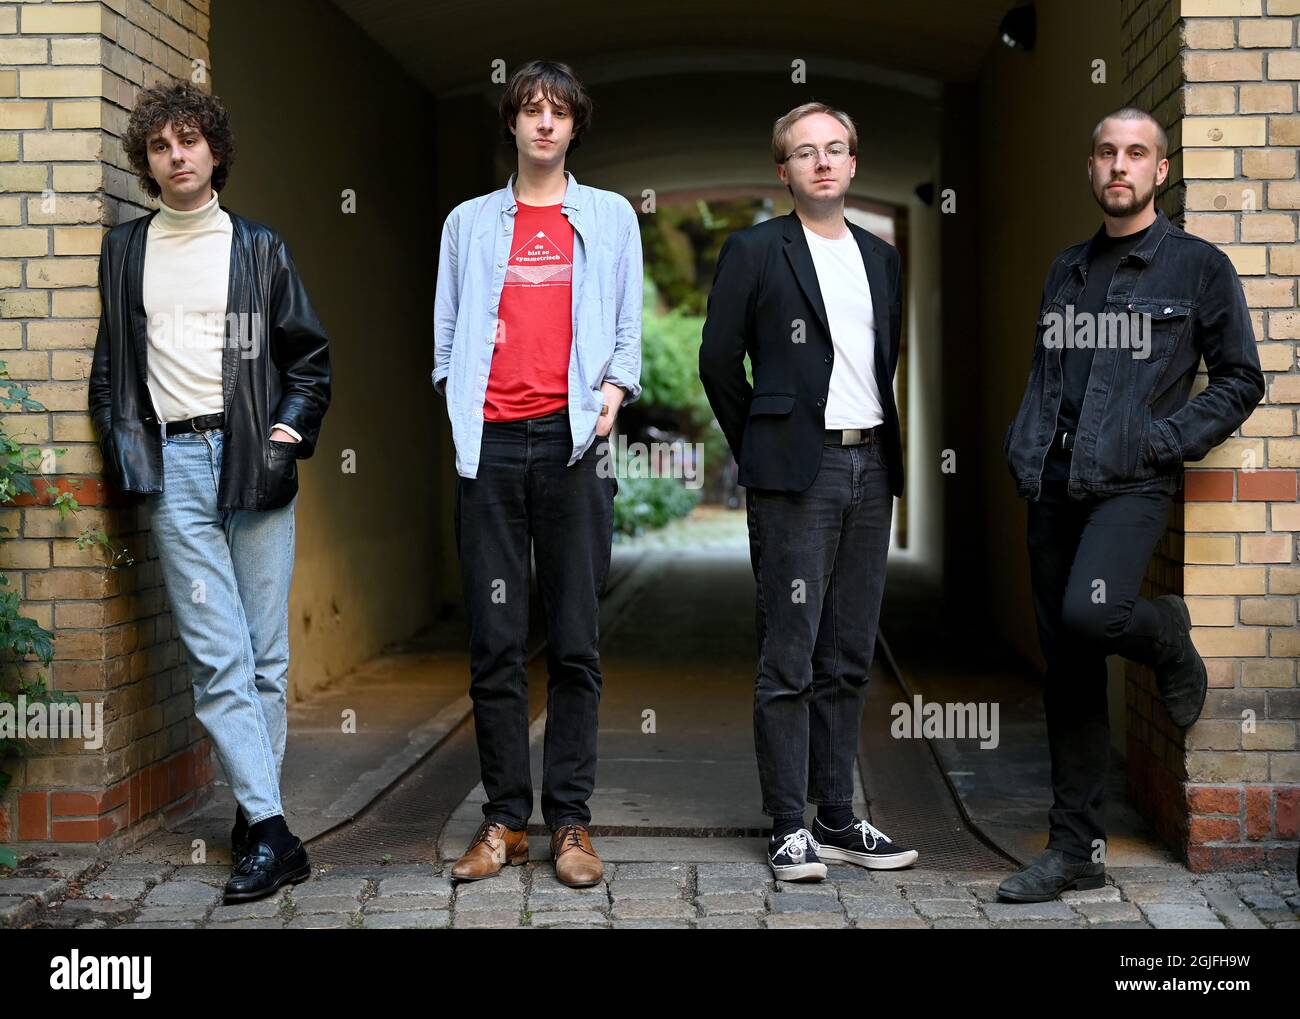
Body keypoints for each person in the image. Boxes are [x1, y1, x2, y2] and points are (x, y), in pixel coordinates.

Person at [998, 107, 1264, 903]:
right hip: (1053, 481)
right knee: (1069, 673)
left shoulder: (1198, 266)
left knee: (1093, 616)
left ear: (1160, 169)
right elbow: (1051, 375)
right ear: (1092, 169)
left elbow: (1241, 379)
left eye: (1137, 154)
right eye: (1108, 152)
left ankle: (1166, 630)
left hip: (1132, 481)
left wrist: (1163, 440)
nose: (1120, 165)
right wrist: (1025, 444)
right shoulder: (1067, 269)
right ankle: (1074, 845)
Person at [89, 80, 331, 904]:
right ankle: (271, 829)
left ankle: (253, 815)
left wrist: (286, 430)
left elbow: (308, 359)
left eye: (189, 140)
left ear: (215, 151)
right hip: (175, 467)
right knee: (217, 654)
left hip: (253, 458)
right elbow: (111, 368)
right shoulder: (125, 251)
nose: (176, 155)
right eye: (160, 146)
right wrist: (130, 456)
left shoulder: (258, 247)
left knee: (265, 657)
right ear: (147, 163)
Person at [433, 60, 642, 887]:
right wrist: (463, 406)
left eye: (559, 112)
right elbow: (448, 336)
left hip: (574, 448)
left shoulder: (611, 217)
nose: (545, 124)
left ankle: (571, 824)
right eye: (531, 111)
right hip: (490, 447)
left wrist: (613, 397)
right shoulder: (469, 223)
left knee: (577, 643)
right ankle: (502, 821)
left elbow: (626, 324)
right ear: (512, 125)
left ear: (575, 126)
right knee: (494, 643)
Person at [699, 102, 918, 882]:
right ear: (784, 170)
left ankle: (836, 814)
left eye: (835, 149)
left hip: (872, 467)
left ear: (854, 164)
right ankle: (788, 825)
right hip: (798, 472)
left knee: (850, 653)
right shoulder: (756, 251)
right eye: (805, 152)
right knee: (789, 655)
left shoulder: (883, 258)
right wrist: (763, 443)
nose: (822, 162)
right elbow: (719, 363)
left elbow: (879, 362)